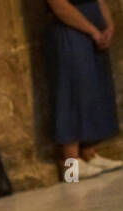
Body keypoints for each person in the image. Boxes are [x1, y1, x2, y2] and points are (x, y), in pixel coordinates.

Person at [46, 0, 121, 178]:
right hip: (70, 29)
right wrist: (93, 31)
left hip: (93, 28)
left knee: (92, 90)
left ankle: (89, 154)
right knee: (71, 93)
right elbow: (59, 5)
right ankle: (71, 167)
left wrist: (109, 25)